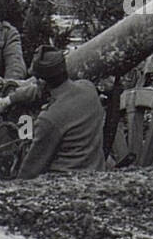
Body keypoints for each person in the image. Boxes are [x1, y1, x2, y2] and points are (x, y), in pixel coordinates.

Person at [16, 47, 104, 178]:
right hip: (96, 175)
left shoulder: (49, 119)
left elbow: (30, 171)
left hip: (61, 184)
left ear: (42, 82)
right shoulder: (89, 89)